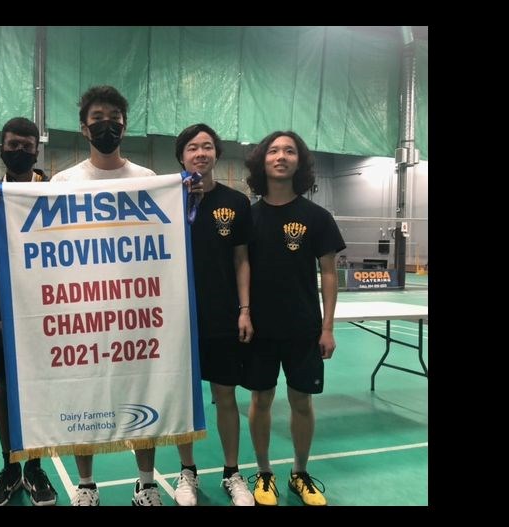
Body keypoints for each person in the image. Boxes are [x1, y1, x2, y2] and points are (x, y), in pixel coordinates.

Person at [52, 85, 159, 506]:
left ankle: (146, 483)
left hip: (136, 310)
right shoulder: (63, 182)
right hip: (83, 312)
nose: (106, 124)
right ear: (84, 128)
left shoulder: (149, 181)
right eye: (97, 118)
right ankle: (86, 486)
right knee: (83, 395)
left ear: (124, 125)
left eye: (114, 116)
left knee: (144, 393)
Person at [242, 131, 345, 506]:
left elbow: (329, 273)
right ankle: (264, 472)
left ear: (299, 162)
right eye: (273, 150)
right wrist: (244, 314)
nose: (281, 156)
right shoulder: (247, 217)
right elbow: (241, 269)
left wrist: (328, 327)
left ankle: (300, 473)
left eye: (289, 151)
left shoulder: (317, 217)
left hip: (304, 327)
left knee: (302, 401)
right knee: (261, 399)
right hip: (260, 329)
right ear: (262, 160)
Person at [165, 124, 255, 506]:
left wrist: (245, 309)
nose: (200, 153)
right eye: (192, 147)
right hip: (175, 317)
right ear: (181, 156)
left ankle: (232, 473)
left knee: (226, 396)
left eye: (206, 147)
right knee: (184, 399)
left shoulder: (236, 202)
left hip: (221, 315)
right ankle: (187, 472)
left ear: (216, 154)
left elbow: (241, 260)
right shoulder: (164, 200)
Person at [0, 117, 58, 506]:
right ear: (1, 148)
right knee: (5, 388)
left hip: (48, 314)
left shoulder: (56, 192)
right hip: (2, 319)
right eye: (13, 144)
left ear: (37, 151)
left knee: (39, 390)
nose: (20, 151)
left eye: (27, 145)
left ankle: (35, 469)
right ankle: (9, 468)